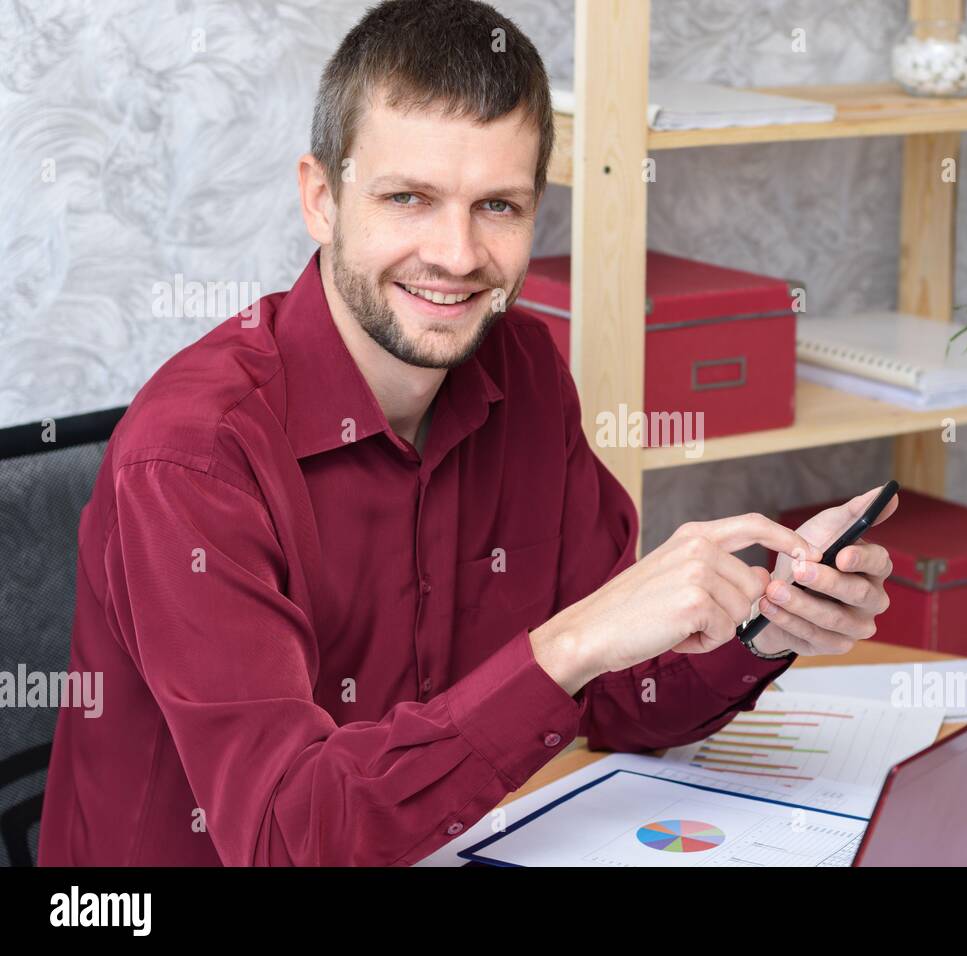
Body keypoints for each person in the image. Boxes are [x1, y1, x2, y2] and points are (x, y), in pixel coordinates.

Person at [39, 0, 895, 866]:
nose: (456, 255)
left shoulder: (522, 367)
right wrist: (569, 641)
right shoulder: (193, 457)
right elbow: (284, 839)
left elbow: (606, 697)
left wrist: (768, 628)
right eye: (409, 198)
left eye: (498, 206)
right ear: (321, 198)